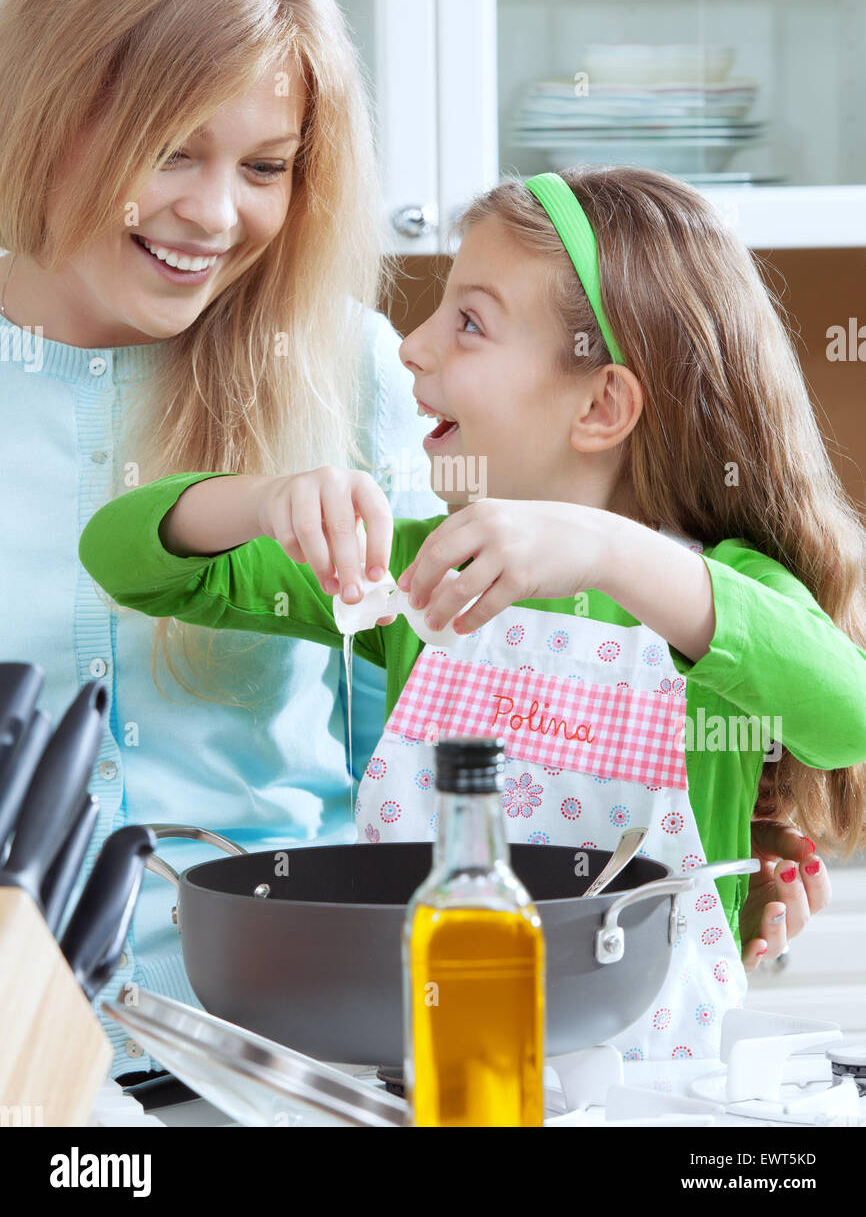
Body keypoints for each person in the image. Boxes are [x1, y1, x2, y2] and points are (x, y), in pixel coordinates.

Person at [78, 166, 866, 1061]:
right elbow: (124, 559)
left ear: (602, 403)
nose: (413, 347)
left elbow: (849, 719)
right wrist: (264, 501)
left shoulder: (719, 591)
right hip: (419, 1069)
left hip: (649, 1088)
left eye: (469, 323)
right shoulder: (421, 570)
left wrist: (609, 549)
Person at [0, 0, 440, 1080]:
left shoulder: (344, 368)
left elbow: (419, 743)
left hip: (295, 1057)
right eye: (173, 149)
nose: (216, 212)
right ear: (46, 111)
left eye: (266, 163)